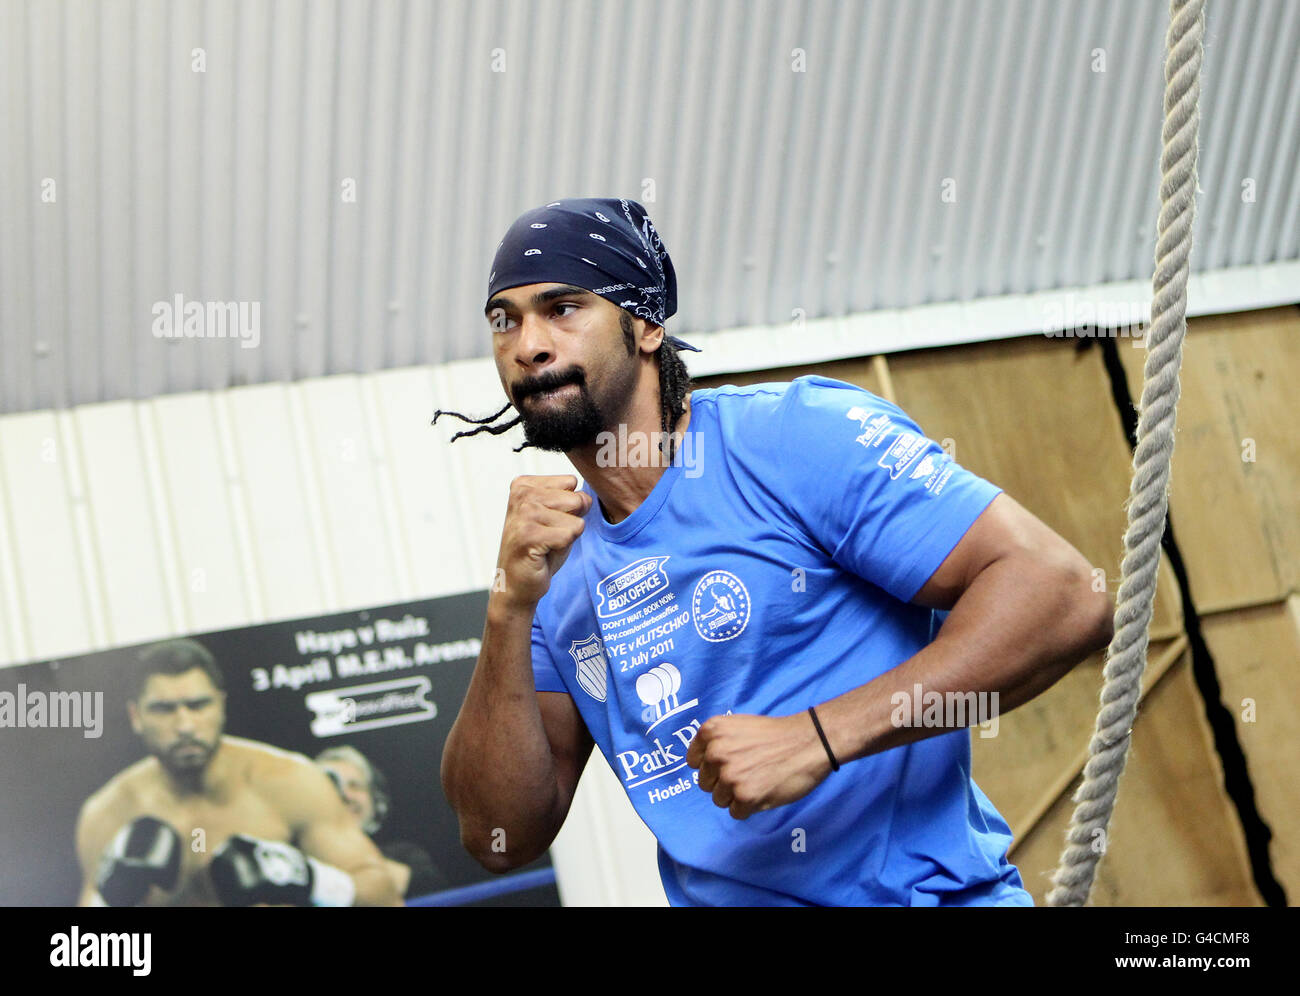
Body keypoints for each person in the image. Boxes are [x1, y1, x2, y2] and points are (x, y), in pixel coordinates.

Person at [438, 197, 1113, 906]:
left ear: (644, 325)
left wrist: (817, 738)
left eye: (563, 307)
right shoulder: (553, 570)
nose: (528, 344)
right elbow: (497, 837)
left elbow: (1064, 595)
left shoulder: (794, 438)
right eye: (503, 320)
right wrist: (509, 608)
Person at [75, 639, 401, 906]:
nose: (185, 725)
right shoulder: (107, 813)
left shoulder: (290, 783)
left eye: (198, 705)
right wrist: (111, 899)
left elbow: (386, 898)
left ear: (221, 705)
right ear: (136, 716)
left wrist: (309, 878)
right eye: (164, 709)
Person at [315, 744, 448, 900]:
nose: (346, 795)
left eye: (355, 786)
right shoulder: (294, 862)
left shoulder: (406, 855)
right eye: (333, 786)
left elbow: (434, 888)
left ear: (374, 800)